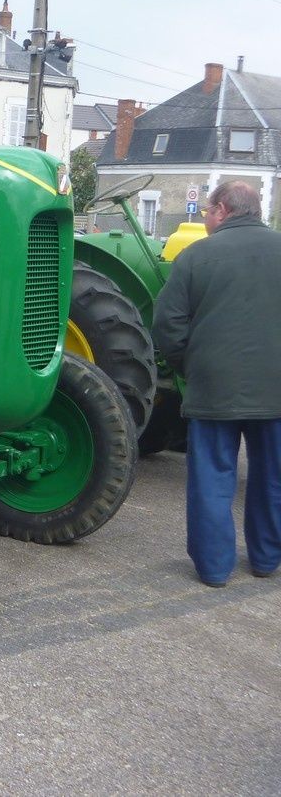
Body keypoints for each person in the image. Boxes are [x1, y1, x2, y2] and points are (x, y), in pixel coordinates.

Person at [152, 180, 281, 587]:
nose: (206, 218)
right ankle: (266, 559)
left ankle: (214, 567)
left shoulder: (196, 257)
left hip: (213, 385)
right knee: (274, 476)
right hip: (276, 388)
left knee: (212, 477)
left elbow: (166, 323)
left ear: (223, 209)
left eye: (207, 211)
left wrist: (189, 364)